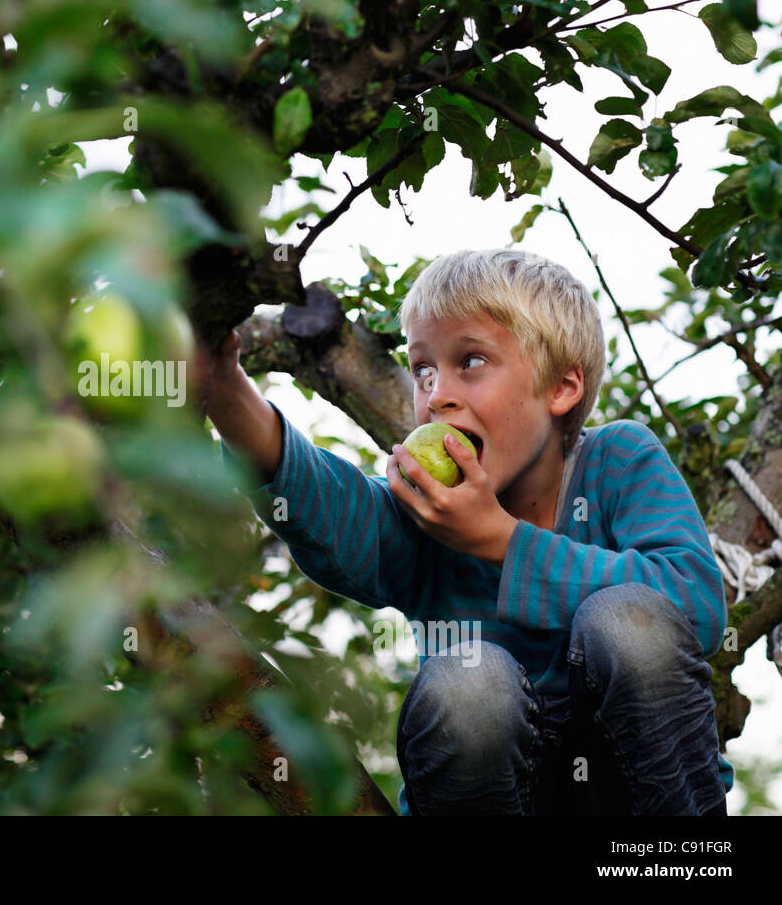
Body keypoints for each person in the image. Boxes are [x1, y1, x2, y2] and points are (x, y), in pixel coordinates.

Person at [201, 248, 730, 815]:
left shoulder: (619, 460)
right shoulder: (427, 521)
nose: (436, 395)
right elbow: (327, 506)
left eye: (471, 361)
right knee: (469, 683)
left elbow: (693, 604)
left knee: (631, 620)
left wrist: (501, 541)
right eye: (423, 369)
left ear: (561, 388)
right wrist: (224, 388)